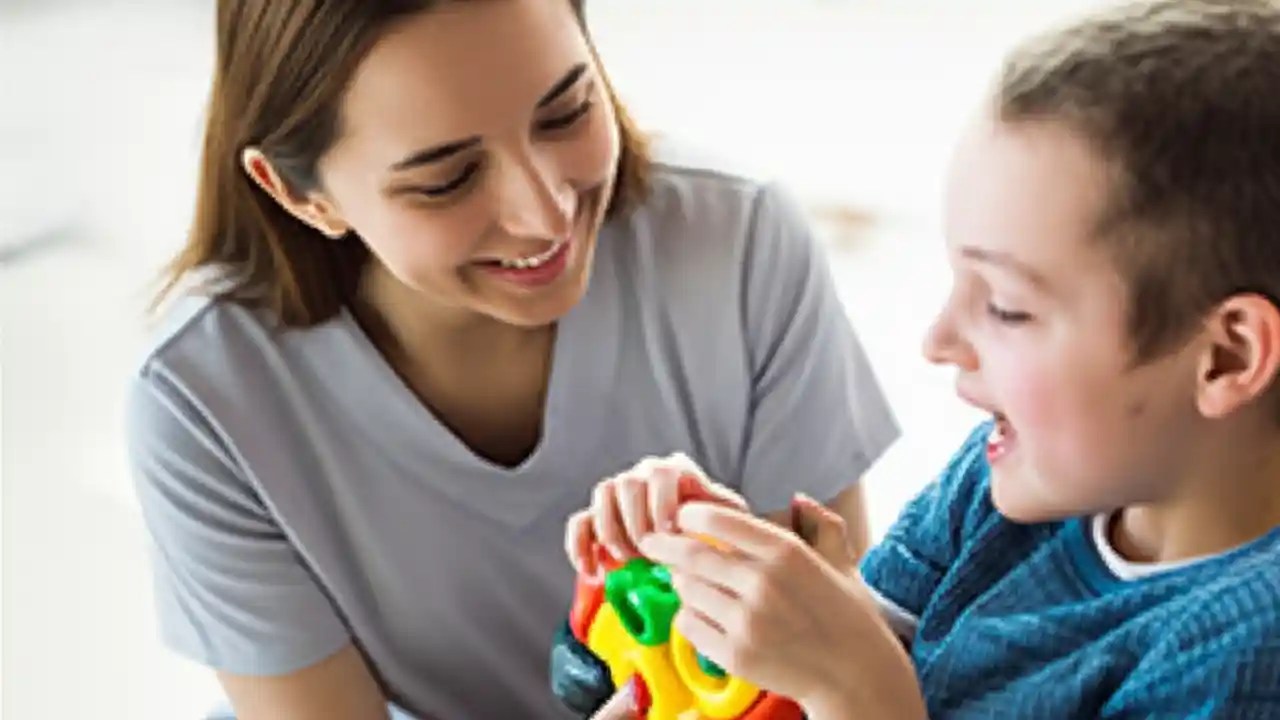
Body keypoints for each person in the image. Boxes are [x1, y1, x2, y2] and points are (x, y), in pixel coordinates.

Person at [123, 0, 900, 718]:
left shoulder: (738, 246)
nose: (545, 213)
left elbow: (819, 674)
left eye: (566, 111)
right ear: (301, 197)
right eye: (446, 179)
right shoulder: (203, 398)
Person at [569, 1, 1280, 717]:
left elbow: (870, 685)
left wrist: (858, 692)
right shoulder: (1018, 475)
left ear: (1225, 356)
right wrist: (733, 570)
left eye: (1006, 306)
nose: (939, 340)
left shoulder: (1246, 658)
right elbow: (861, 648)